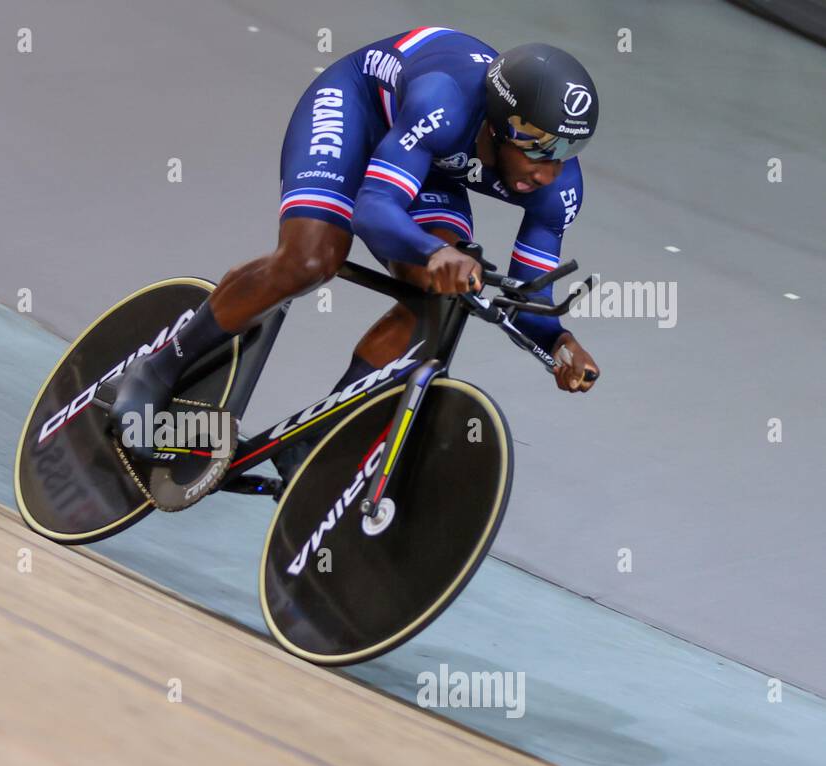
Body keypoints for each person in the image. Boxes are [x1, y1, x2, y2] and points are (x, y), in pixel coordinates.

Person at [109, 29, 602, 479]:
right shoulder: (445, 100)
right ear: (498, 124)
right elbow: (373, 210)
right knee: (313, 257)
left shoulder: (556, 190)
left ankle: (316, 435)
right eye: (541, 150)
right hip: (357, 110)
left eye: (566, 152)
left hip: (426, 159)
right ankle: (158, 367)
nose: (549, 172)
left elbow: (526, 298)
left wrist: (559, 344)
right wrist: (432, 249)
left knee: (447, 292)